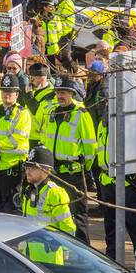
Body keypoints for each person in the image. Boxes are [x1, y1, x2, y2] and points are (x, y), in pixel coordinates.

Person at [33, 75, 97, 241]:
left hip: (73, 174)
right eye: (58, 92)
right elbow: (47, 140)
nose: (60, 96)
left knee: (79, 217)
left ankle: (84, 255)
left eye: (64, 92)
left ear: (72, 93)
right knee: (57, 213)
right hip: (54, 173)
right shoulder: (52, 113)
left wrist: (85, 167)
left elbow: (90, 147)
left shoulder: (81, 114)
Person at [94, 116, 136, 260]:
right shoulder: (103, 122)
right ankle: (112, 264)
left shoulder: (131, 121)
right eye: (106, 99)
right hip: (107, 182)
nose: (108, 103)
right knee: (111, 231)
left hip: (127, 184)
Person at [0, 74, 33, 214]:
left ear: (16, 94)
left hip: (11, 166)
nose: (6, 95)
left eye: (10, 92)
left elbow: (18, 138)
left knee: (11, 209)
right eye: (4, 91)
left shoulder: (22, 114)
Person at [19, 146, 77, 263]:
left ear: (46, 170)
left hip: (50, 259)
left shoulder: (55, 193)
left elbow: (68, 227)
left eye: (32, 168)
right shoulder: (29, 191)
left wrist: (65, 251)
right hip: (29, 257)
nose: (27, 171)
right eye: (26, 167)